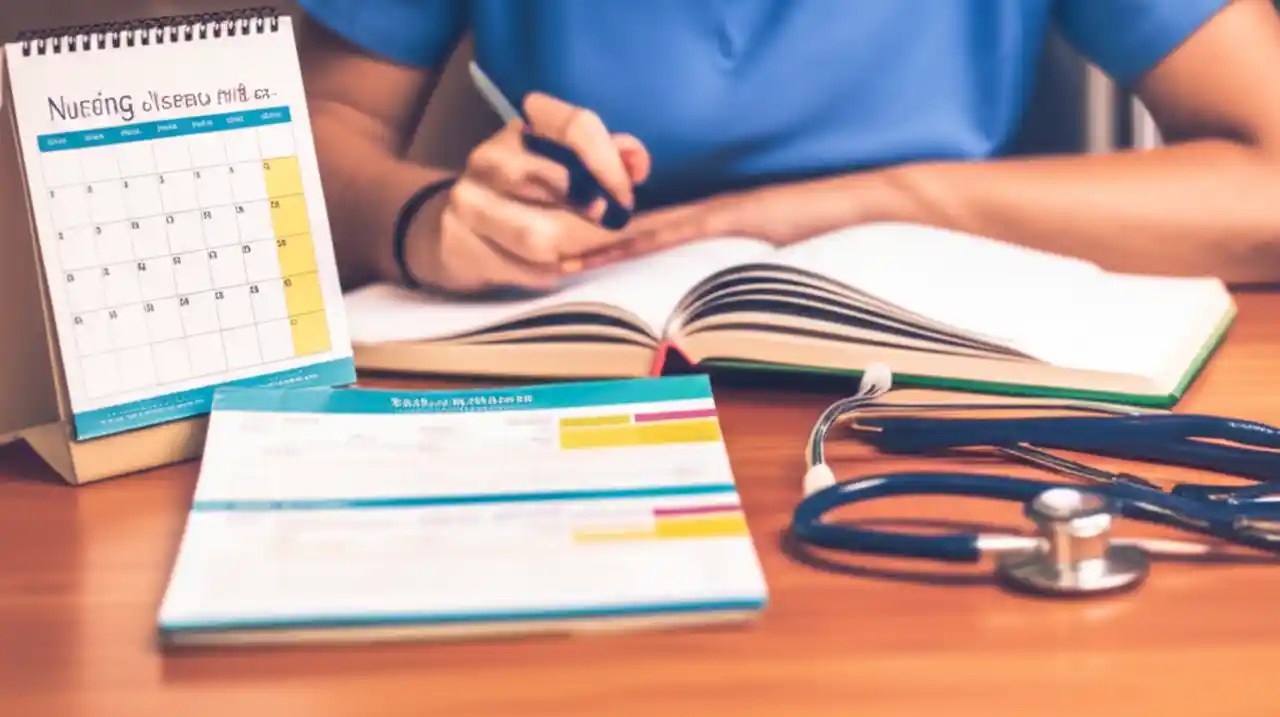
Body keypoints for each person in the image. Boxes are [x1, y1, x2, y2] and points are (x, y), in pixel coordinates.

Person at [297, 0, 1280, 295]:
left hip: (948, 393)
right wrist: (422, 222)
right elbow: (313, 137)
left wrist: (872, 202)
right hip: (557, 376)